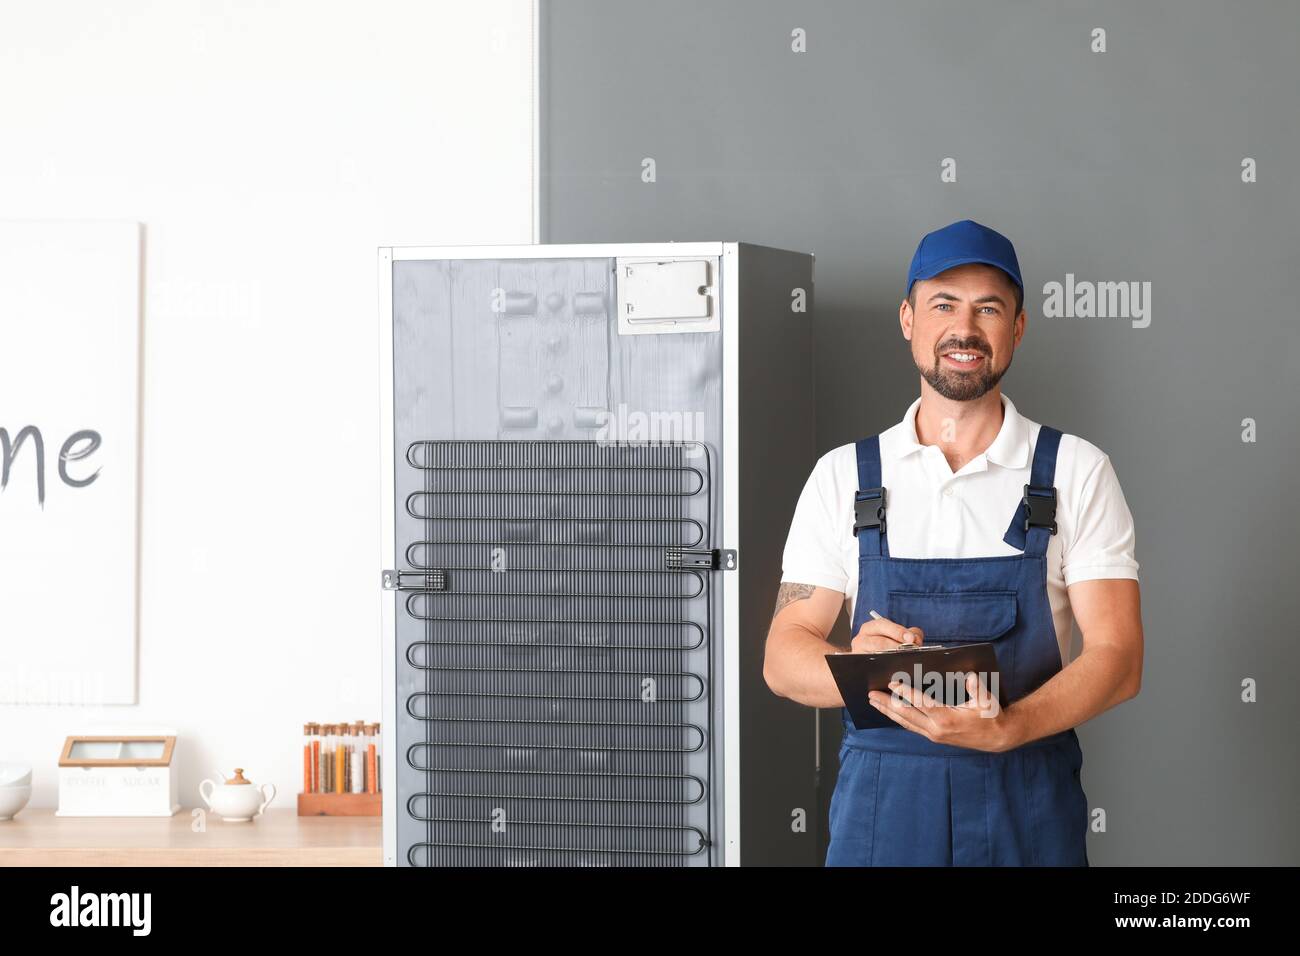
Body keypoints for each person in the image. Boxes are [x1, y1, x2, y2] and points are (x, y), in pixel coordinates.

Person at [763, 219, 1144, 866]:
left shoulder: (1076, 471)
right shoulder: (844, 478)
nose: (963, 329)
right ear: (908, 319)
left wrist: (1009, 728)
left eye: (988, 308)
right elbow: (783, 656)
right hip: (882, 810)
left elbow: (1119, 657)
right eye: (943, 304)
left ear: (1017, 328)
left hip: (1026, 802)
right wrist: (858, 668)